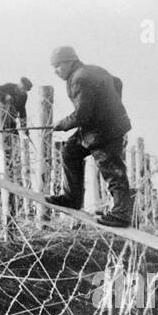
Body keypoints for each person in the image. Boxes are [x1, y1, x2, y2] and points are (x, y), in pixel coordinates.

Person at [42, 47, 133, 227]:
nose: (55, 71)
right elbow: (117, 83)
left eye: (58, 66)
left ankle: (121, 214)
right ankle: (72, 198)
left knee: (112, 169)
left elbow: (82, 114)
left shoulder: (79, 79)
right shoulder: (94, 70)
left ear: (69, 62)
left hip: (104, 130)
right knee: (70, 151)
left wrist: (63, 124)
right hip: (100, 125)